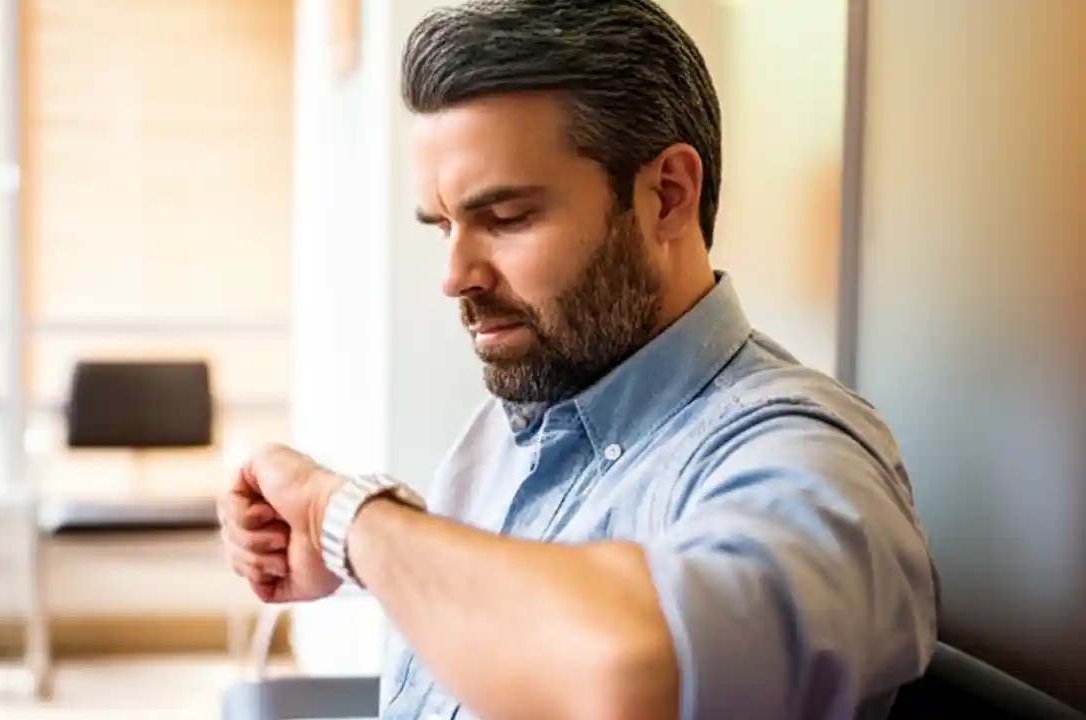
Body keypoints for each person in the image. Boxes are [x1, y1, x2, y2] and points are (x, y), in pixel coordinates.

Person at [217, 1, 938, 718]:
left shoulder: (804, 453)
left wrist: (347, 519)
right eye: (444, 227)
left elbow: (632, 670)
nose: (455, 274)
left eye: (506, 218)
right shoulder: (508, 429)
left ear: (668, 197)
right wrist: (351, 556)